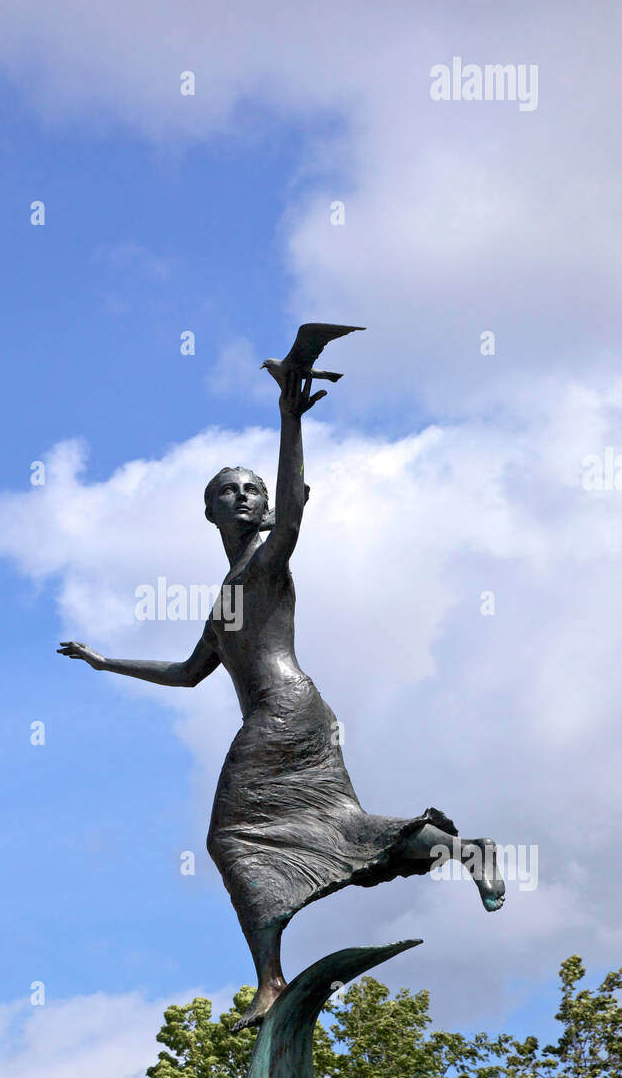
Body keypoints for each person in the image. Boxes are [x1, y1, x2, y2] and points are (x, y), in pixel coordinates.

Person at [59, 369, 504, 1028]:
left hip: (283, 713)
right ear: (208, 512)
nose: (240, 496)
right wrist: (106, 662)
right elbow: (188, 674)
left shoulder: (268, 558)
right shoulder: (227, 593)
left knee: (231, 837)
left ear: (264, 505)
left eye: (251, 489)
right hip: (297, 714)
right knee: (338, 828)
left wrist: (289, 418)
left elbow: (295, 505)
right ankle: (464, 850)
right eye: (225, 492)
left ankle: (270, 982)